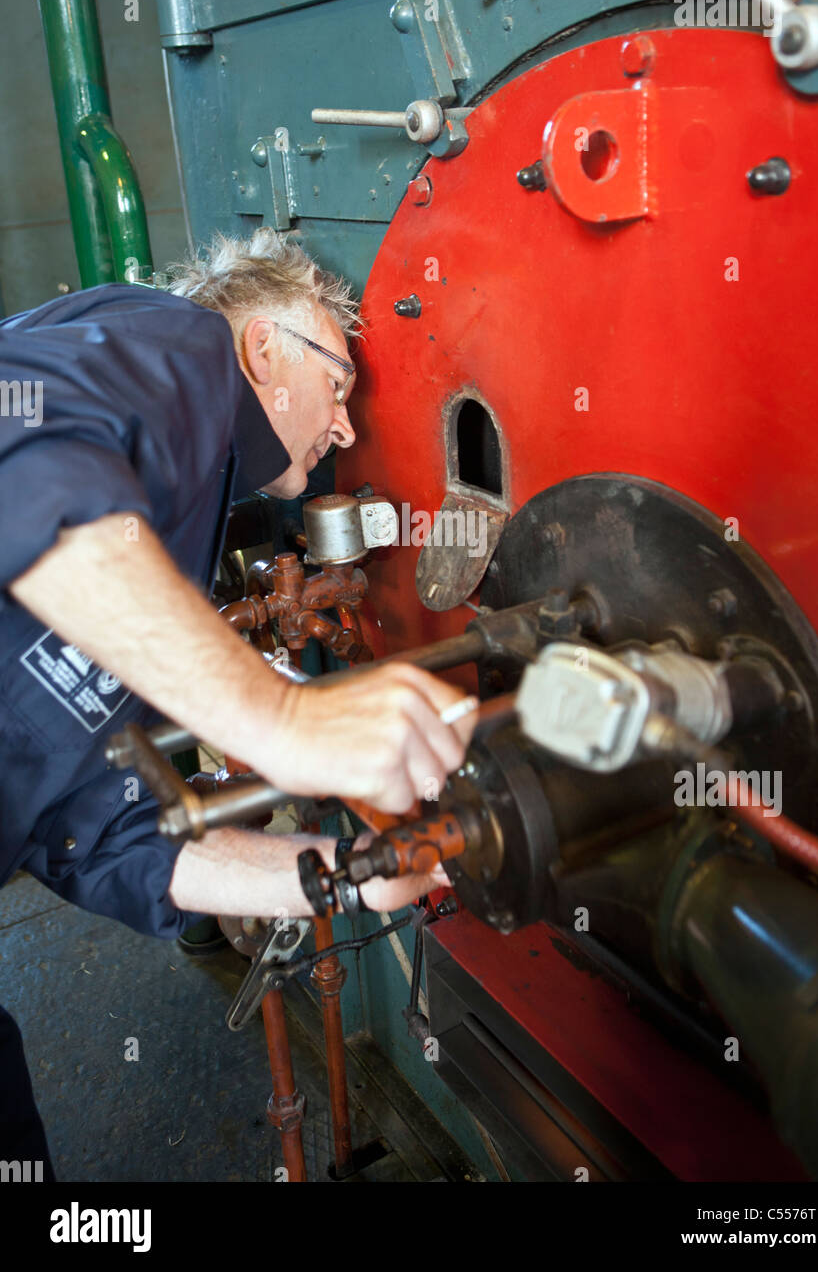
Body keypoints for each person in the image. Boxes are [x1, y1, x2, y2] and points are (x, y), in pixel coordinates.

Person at [0, 228, 476, 1172]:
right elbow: (21, 457)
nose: (344, 428)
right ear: (265, 347)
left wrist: (344, 870)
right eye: (338, 384)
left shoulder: (170, 514)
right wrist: (287, 719)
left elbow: (104, 839)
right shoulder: (182, 345)